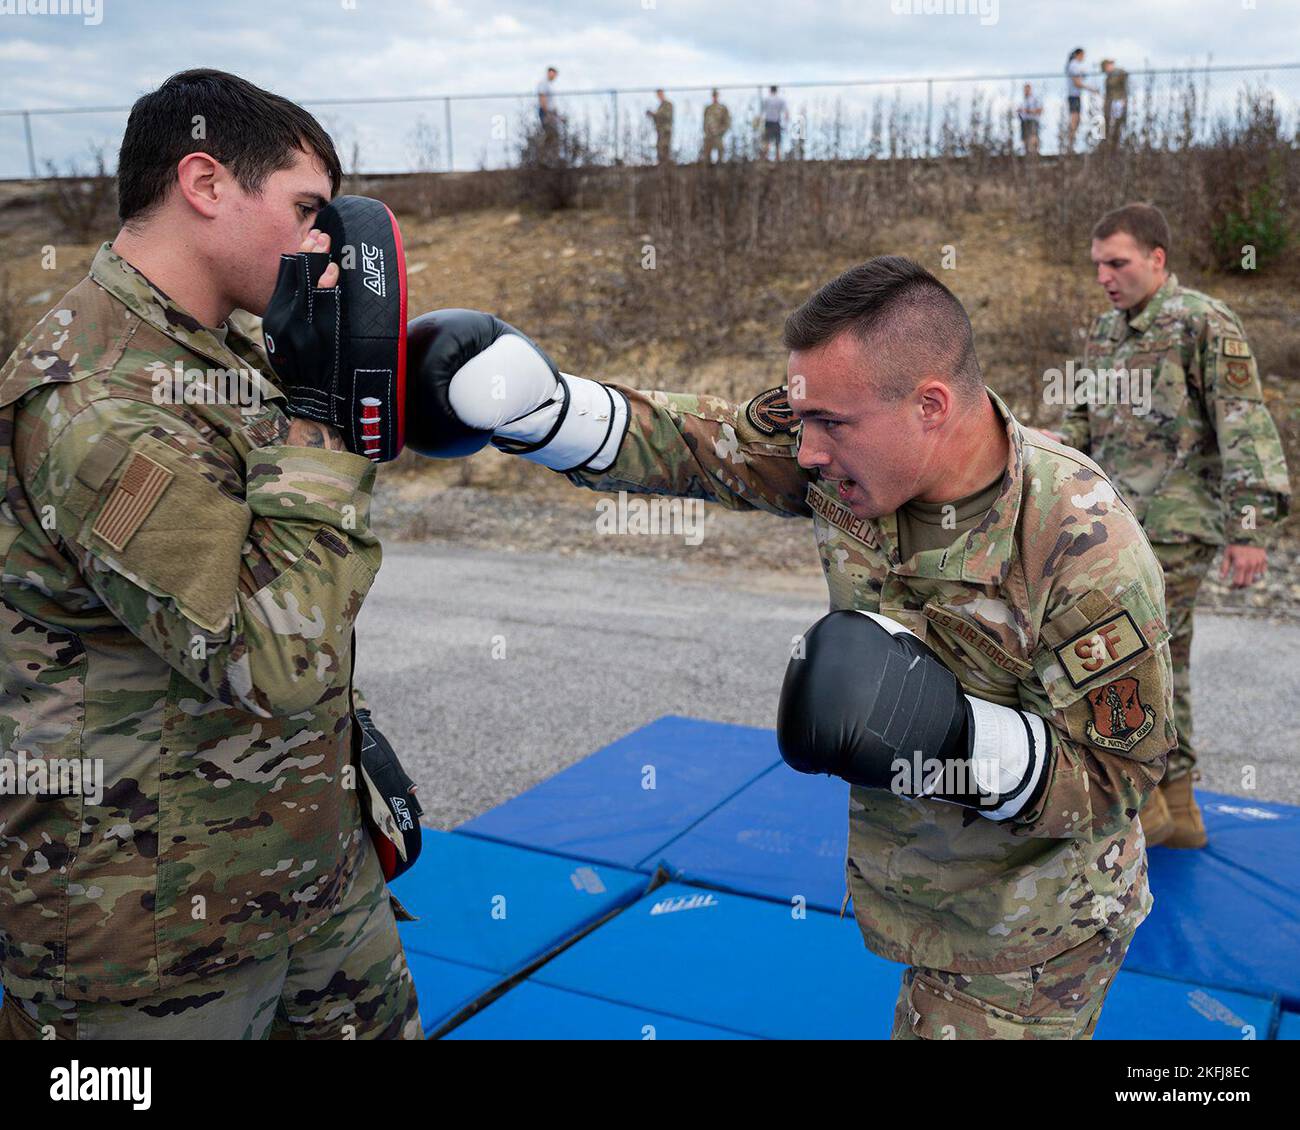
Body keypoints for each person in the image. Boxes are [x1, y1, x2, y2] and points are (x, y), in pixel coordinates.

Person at [407, 257, 1177, 1039]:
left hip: (1036, 928)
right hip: (919, 885)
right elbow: (708, 444)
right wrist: (552, 411)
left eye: (829, 425)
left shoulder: (1083, 548)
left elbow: (1122, 773)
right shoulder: (844, 441)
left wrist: (963, 739)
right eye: (802, 418)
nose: (806, 451)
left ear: (931, 406)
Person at [0, 69, 421, 1040]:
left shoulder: (218, 351)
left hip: (304, 873)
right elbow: (268, 660)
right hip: (147, 946)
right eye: (307, 210)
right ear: (204, 183)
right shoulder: (98, 400)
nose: (322, 246)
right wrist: (321, 431)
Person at [1054, 203, 1291, 848]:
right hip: (1112, 527)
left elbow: (1243, 423)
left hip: (1178, 526)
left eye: (1119, 263)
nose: (1105, 276)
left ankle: (1145, 803)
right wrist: (1038, 449)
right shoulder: (1106, 332)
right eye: (1098, 265)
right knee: (1157, 658)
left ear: (1158, 259)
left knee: (1134, 657)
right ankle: (1178, 810)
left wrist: (1249, 528)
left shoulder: (1203, 323)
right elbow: (1082, 420)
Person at [1065, 47, 1098, 152]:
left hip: (1076, 96)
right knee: (1074, 120)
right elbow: (1077, 82)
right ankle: (1070, 145)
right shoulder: (1074, 65)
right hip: (1073, 96)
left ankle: (1071, 144)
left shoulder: (1076, 66)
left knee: (1077, 120)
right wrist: (1091, 88)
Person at [1101, 60, 1128, 150]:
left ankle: (1115, 145)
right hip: (1111, 102)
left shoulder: (1119, 73)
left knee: (1117, 123)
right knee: (1108, 123)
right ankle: (1108, 145)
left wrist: (1124, 99)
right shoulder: (1109, 77)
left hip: (1118, 101)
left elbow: (1124, 85)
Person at [701, 89, 731, 164]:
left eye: (716, 95)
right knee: (707, 158)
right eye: (713, 96)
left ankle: (720, 173)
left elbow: (727, 123)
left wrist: (720, 132)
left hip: (719, 136)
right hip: (709, 136)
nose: (715, 97)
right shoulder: (708, 108)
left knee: (720, 156)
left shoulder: (722, 108)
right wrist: (707, 132)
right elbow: (705, 122)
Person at [646, 89, 674, 165]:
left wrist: (654, 114)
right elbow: (658, 118)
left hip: (666, 130)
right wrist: (652, 115)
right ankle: (661, 163)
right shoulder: (660, 106)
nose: (659, 96)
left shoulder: (668, 104)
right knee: (660, 147)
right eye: (658, 95)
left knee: (664, 146)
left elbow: (665, 116)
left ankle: (665, 163)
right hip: (660, 130)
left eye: (660, 94)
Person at [761, 85, 788, 161]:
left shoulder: (766, 99)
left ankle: (765, 158)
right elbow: (786, 112)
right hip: (776, 122)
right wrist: (786, 122)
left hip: (768, 122)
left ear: (770, 90)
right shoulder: (780, 100)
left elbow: (762, 111)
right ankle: (778, 158)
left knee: (767, 141)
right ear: (776, 90)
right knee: (777, 141)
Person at [1018, 82, 1043, 155]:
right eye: (1025, 89)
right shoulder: (1023, 101)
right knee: (1025, 137)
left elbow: (1040, 110)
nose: (1026, 91)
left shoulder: (1034, 99)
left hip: (1032, 120)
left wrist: (1028, 111)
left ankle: (1035, 152)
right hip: (1024, 121)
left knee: (1033, 135)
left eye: (1027, 89)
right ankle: (1027, 153)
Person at [536, 65, 559, 132]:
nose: (554, 76)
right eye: (553, 74)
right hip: (546, 112)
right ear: (549, 73)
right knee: (548, 132)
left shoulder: (550, 84)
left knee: (553, 133)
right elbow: (542, 98)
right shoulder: (544, 83)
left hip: (551, 112)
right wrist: (547, 113)